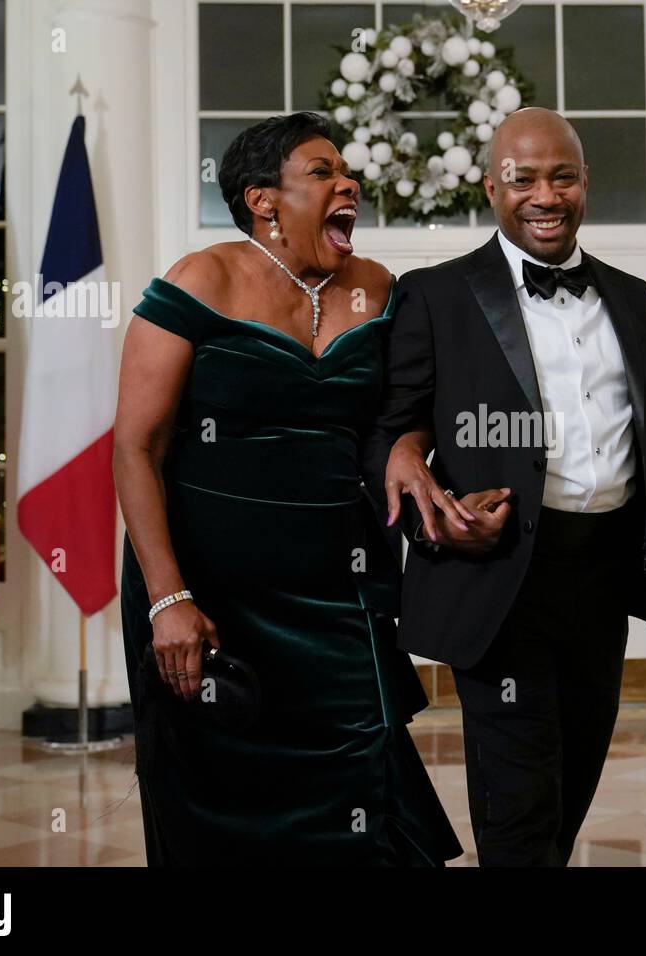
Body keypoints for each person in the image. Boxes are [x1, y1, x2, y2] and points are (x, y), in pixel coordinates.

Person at [364, 107, 646, 867]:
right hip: (499, 581)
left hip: (602, 580)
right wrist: (434, 513)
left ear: (584, 183)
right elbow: (391, 435)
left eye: (561, 176)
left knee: (567, 791)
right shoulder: (434, 295)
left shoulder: (633, 299)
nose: (545, 194)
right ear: (490, 188)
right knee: (519, 803)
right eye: (523, 178)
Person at [113, 112, 464, 865]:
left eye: (347, 172)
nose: (349, 184)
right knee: (213, 794)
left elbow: (400, 416)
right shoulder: (199, 280)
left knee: (364, 791)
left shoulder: (377, 288)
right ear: (264, 201)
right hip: (208, 599)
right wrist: (170, 599)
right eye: (322, 171)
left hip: (340, 595)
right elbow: (135, 447)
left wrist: (410, 447)